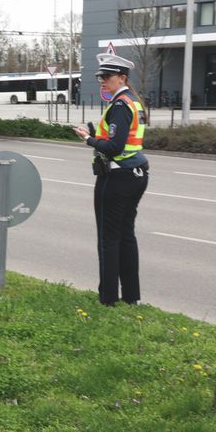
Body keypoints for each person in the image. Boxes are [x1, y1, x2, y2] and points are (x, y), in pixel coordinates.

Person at [72, 53, 149, 307]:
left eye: (107, 77)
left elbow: (114, 146)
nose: (102, 81)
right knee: (126, 235)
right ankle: (131, 296)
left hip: (116, 176)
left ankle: (107, 299)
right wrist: (95, 133)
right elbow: (124, 138)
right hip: (135, 173)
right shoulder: (132, 102)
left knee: (109, 237)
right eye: (100, 77)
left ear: (122, 78)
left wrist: (88, 139)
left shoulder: (119, 105)